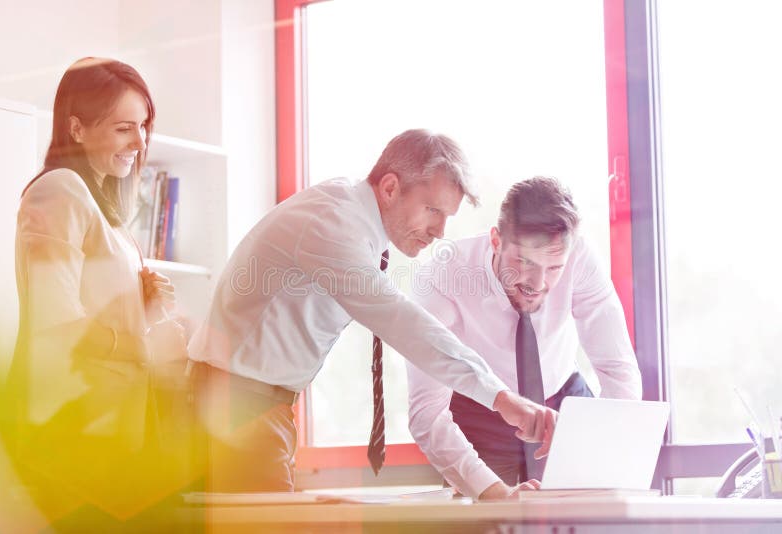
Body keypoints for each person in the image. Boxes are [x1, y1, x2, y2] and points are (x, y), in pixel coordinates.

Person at [187, 129, 557, 492]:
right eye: (432, 210)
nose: (440, 230)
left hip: (253, 404)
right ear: (391, 187)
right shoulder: (333, 224)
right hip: (240, 406)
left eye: (447, 216)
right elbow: (404, 323)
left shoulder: (352, 214)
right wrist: (501, 397)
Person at [6, 57, 190, 521]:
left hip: (109, 438)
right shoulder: (60, 190)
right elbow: (58, 323)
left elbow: (96, 316)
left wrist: (144, 303)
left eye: (144, 126)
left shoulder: (100, 207)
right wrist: (143, 344)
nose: (140, 142)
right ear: (77, 128)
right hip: (69, 441)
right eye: (124, 128)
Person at [407, 176, 642, 500]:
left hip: (562, 398)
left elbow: (616, 368)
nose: (537, 282)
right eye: (523, 262)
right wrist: (494, 493)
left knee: (586, 517)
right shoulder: (444, 276)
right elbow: (427, 414)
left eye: (554, 268)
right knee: (489, 522)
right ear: (496, 240)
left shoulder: (581, 258)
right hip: (479, 411)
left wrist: (607, 456)